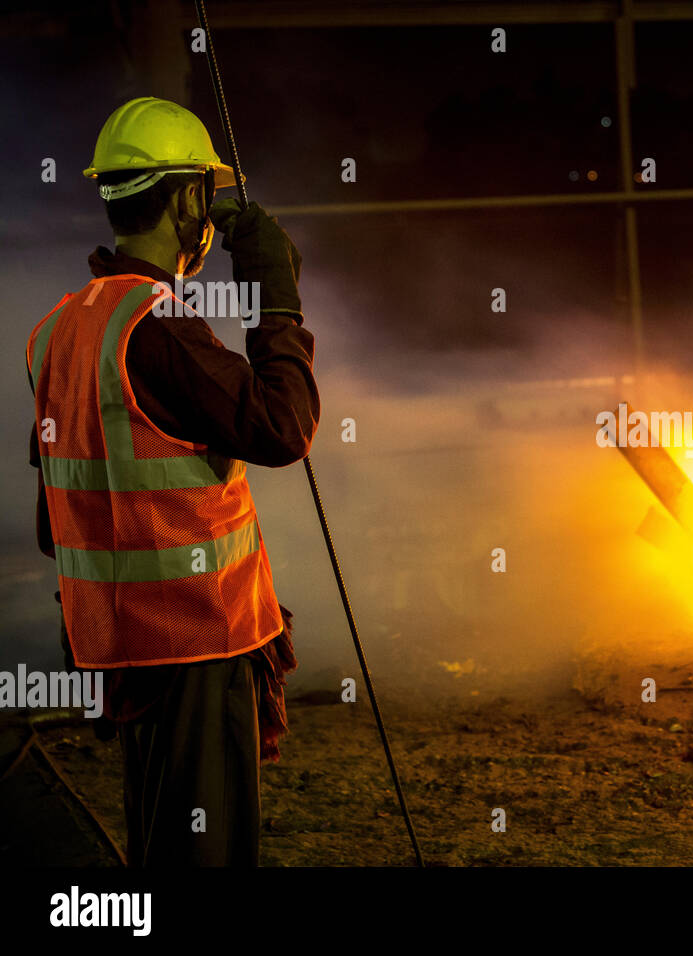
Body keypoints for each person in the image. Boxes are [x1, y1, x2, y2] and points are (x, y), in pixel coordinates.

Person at [25, 96, 319, 865]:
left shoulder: (60, 328)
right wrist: (277, 301)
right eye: (208, 196)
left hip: (122, 650)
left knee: (165, 846)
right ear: (188, 198)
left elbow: (52, 509)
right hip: (197, 644)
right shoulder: (158, 330)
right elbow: (283, 428)